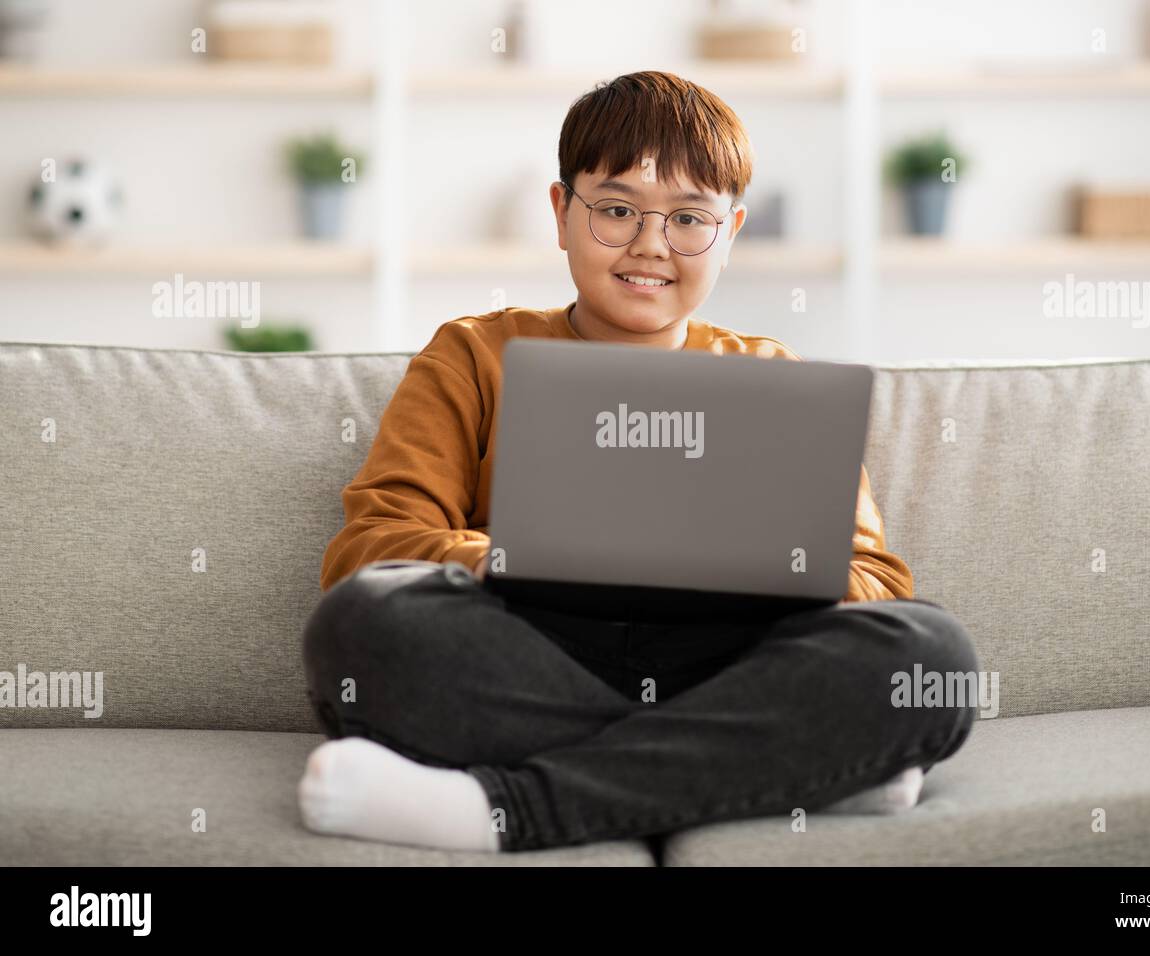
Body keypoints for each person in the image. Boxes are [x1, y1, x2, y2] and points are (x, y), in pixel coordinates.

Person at [298, 71, 979, 854]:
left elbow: (875, 582)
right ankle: (792, 769)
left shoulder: (772, 376)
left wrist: (738, 575)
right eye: (616, 210)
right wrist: (523, 561)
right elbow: (368, 550)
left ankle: (507, 809)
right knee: (363, 625)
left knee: (932, 657)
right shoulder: (473, 355)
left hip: (723, 663)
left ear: (731, 232)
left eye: (690, 218)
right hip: (532, 652)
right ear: (562, 214)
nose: (651, 245)